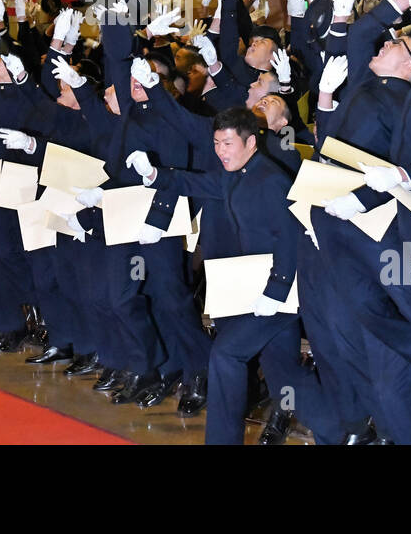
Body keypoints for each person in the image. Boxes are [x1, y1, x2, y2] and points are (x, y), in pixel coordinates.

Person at [127, 107, 315, 445]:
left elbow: (291, 238)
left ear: (251, 142)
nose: (220, 152)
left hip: (277, 294)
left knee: (227, 355)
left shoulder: (271, 180)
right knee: (283, 371)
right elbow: (196, 181)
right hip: (246, 289)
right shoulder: (233, 174)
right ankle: (346, 427)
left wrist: (276, 291)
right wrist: (155, 175)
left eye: (228, 144)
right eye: (216, 143)